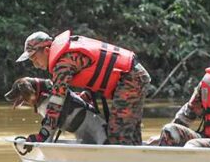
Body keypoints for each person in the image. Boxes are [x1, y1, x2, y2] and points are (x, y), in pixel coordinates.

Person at [16, 29, 150, 145]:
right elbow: (96, 71)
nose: (35, 65)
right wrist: (87, 94)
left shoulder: (63, 63)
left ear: (46, 50)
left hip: (130, 78)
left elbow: (56, 103)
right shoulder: (66, 54)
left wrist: (42, 136)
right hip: (133, 75)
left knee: (118, 135)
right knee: (129, 132)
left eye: (34, 58)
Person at [5, 76, 107, 145]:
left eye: (18, 92)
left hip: (98, 132)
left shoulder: (51, 99)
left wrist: (40, 142)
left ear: (29, 91)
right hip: (88, 132)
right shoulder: (51, 92)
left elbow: (51, 126)